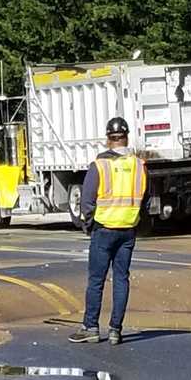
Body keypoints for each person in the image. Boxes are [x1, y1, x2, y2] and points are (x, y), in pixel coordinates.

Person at [69, 117, 147, 346]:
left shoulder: (100, 165)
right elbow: (145, 198)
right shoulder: (140, 166)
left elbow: (87, 200)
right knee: (121, 279)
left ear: (108, 139)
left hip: (103, 229)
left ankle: (91, 327)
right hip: (128, 230)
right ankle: (115, 330)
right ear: (127, 137)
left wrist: (88, 224)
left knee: (96, 280)